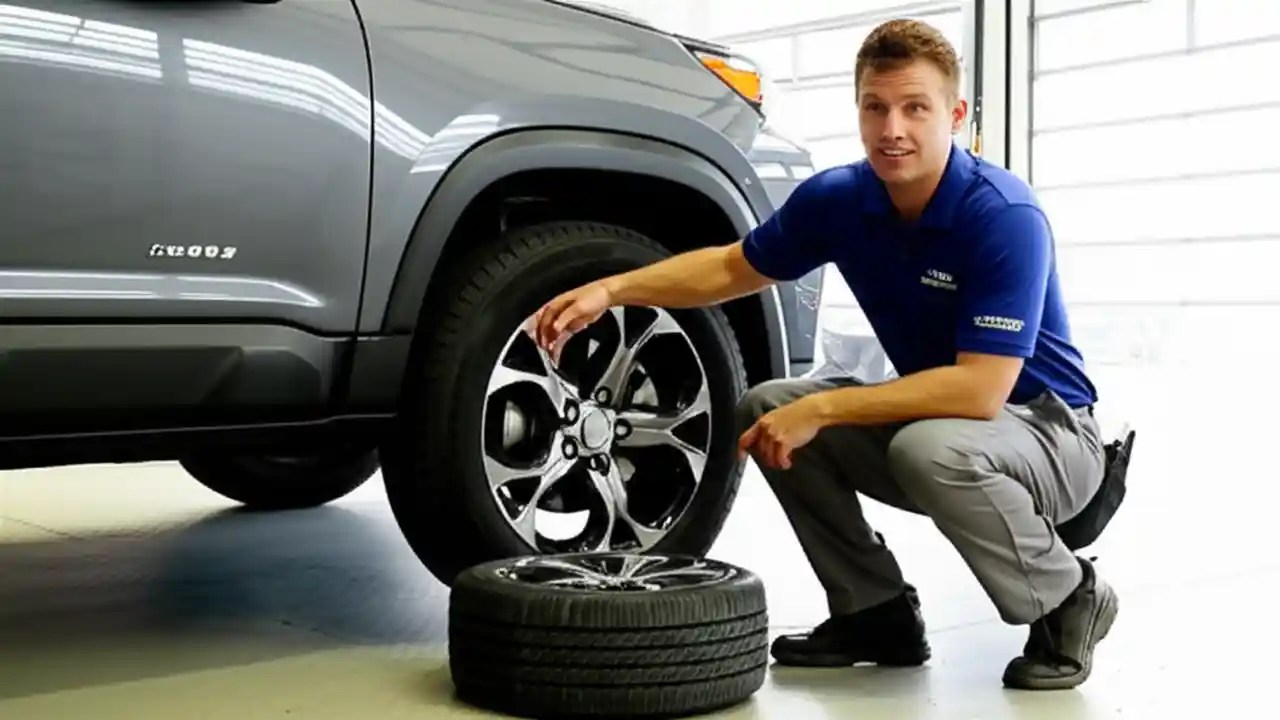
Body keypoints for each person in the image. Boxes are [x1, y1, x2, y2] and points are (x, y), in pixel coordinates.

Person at [532, 18, 1116, 691]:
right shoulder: (841, 199)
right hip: (952, 425)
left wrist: (830, 408)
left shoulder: (1004, 214)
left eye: (915, 108)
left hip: (1054, 435)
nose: (892, 128)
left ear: (953, 115)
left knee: (916, 445)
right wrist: (613, 288)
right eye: (875, 106)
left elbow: (982, 391)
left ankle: (1069, 598)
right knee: (771, 407)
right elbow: (730, 268)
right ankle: (875, 611)